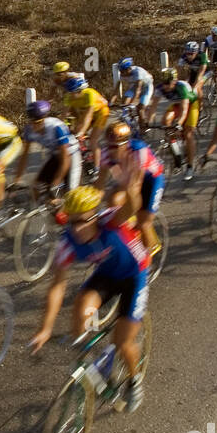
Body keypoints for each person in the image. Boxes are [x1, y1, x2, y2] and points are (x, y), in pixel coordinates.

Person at [29, 186, 150, 412]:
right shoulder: (67, 243)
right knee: (81, 308)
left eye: (82, 221)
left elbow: (131, 207)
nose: (76, 229)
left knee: (124, 342)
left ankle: (134, 382)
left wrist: (131, 185)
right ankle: (92, 366)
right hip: (106, 275)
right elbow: (57, 286)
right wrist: (45, 329)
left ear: (95, 216)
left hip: (135, 275)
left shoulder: (110, 221)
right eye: (71, 222)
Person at [99, 122, 165, 256]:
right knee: (112, 199)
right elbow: (99, 184)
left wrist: (130, 211)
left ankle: (147, 259)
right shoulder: (106, 153)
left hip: (152, 180)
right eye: (108, 145)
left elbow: (136, 186)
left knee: (144, 223)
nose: (110, 150)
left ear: (125, 144)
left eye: (114, 147)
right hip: (127, 180)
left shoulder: (139, 150)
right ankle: (127, 231)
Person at [14, 100, 81, 198]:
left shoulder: (56, 128)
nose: (35, 125)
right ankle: (41, 210)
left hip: (71, 154)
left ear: (45, 118)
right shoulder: (29, 130)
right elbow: (24, 156)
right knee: (36, 186)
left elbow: (65, 159)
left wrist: (56, 183)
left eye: (39, 122)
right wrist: (17, 180)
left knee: (71, 193)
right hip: (54, 155)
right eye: (32, 122)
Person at [59, 73, 111, 169]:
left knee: (93, 140)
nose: (70, 95)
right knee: (75, 131)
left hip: (101, 113)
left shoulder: (89, 94)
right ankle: (83, 151)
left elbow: (88, 116)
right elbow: (64, 115)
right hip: (84, 112)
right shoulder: (69, 96)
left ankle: (97, 168)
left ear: (80, 91)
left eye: (73, 93)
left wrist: (81, 132)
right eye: (69, 92)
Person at [156, 67, 200, 181]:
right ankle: (176, 152)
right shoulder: (160, 88)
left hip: (191, 105)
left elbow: (184, 110)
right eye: (163, 83)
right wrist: (146, 121)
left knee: (188, 133)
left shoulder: (182, 87)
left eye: (168, 83)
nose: (165, 86)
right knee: (165, 122)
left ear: (174, 81)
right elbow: (152, 106)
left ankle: (190, 166)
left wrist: (179, 123)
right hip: (176, 104)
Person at [110, 57, 157, 126]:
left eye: (123, 71)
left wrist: (132, 103)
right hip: (134, 86)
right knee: (125, 102)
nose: (122, 73)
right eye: (120, 71)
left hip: (146, 87)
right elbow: (116, 90)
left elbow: (138, 90)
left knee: (140, 109)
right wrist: (111, 103)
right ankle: (129, 122)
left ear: (128, 69)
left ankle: (142, 129)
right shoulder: (121, 75)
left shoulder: (138, 72)